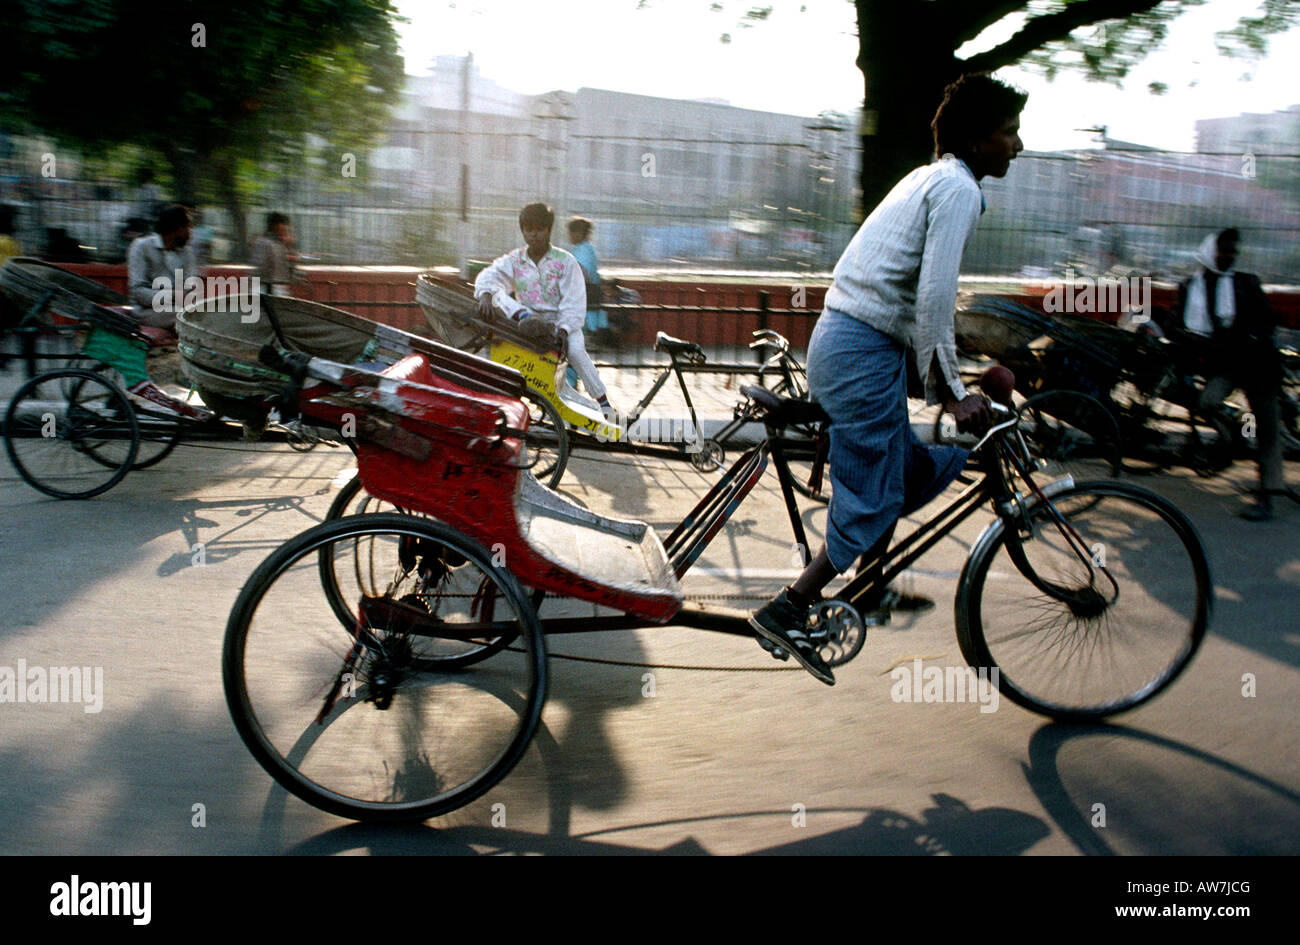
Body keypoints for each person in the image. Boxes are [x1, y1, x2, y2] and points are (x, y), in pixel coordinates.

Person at [748, 73, 1026, 685]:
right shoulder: (955, 191)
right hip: (861, 351)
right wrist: (954, 394)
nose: (1019, 145)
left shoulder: (932, 178)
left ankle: (870, 588)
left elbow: (924, 307)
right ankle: (788, 608)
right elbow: (932, 301)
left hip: (856, 342)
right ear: (980, 140)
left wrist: (966, 372)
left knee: (897, 464)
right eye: (1009, 133)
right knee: (873, 488)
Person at [1165, 228, 1291, 520]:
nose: (1229, 256)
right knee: (1207, 402)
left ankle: (1267, 497)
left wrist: (1250, 336)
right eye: (1224, 250)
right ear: (1211, 251)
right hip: (1226, 366)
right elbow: (1175, 321)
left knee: (1268, 432)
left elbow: (1267, 320)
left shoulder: (1245, 283)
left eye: (1233, 251)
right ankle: (1232, 435)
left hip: (1258, 366)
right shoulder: (1190, 286)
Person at [475, 202, 615, 417]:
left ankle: (603, 403)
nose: (534, 235)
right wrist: (485, 293)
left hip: (559, 323)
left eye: (539, 229)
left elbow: (574, 301)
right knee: (494, 292)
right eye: (529, 230)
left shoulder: (565, 261)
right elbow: (488, 276)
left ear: (549, 230)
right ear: (523, 231)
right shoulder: (515, 259)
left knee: (577, 352)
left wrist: (565, 329)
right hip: (525, 323)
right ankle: (528, 318)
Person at [127, 204, 199, 331]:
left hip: (179, 308)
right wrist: (172, 295)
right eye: (188, 227)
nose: (191, 232)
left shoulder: (187, 253)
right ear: (178, 229)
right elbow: (138, 292)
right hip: (147, 311)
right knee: (188, 317)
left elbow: (191, 287)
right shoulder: (141, 247)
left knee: (206, 314)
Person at [567, 216, 608, 336]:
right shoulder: (589, 248)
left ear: (578, 233)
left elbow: (582, 274)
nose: (569, 236)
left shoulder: (582, 251)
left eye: (570, 233)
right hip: (593, 291)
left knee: (582, 327)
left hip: (585, 292)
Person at [250, 212, 297, 297]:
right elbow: (261, 265)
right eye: (283, 227)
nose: (286, 230)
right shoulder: (263, 242)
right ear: (276, 226)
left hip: (277, 287)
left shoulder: (280, 243)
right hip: (265, 287)